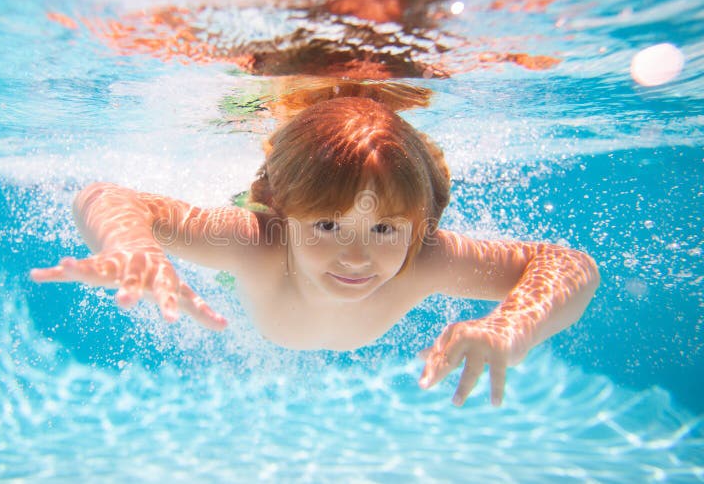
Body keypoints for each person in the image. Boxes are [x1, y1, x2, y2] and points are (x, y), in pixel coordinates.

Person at [31, 97, 599, 407]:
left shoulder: (423, 257)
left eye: (383, 231)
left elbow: (572, 264)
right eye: (328, 224)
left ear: (417, 226)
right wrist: (132, 244)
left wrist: (511, 327)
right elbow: (105, 195)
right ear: (282, 216)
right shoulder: (257, 243)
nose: (356, 257)